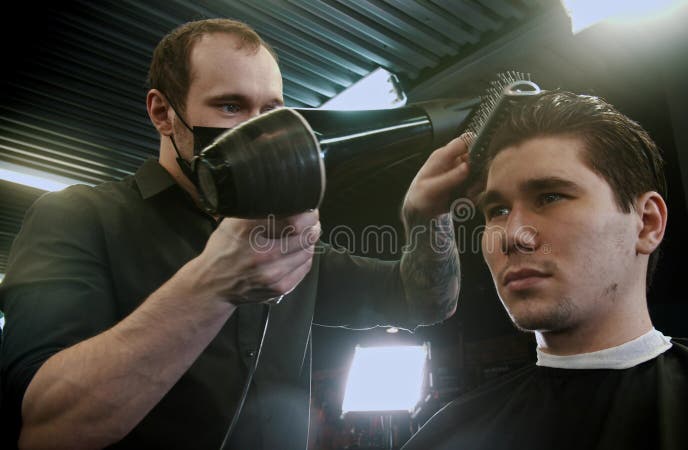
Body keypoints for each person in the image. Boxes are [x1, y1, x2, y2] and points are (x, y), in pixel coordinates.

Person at [0, 19, 467, 449]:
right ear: (163, 113)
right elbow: (47, 427)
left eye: (271, 111)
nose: (258, 132)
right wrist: (213, 284)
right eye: (230, 106)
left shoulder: (288, 246)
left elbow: (424, 301)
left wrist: (430, 215)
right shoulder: (78, 218)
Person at [401, 90, 688, 450]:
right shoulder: (446, 438)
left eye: (551, 196)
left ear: (646, 223)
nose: (511, 235)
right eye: (497, 210)